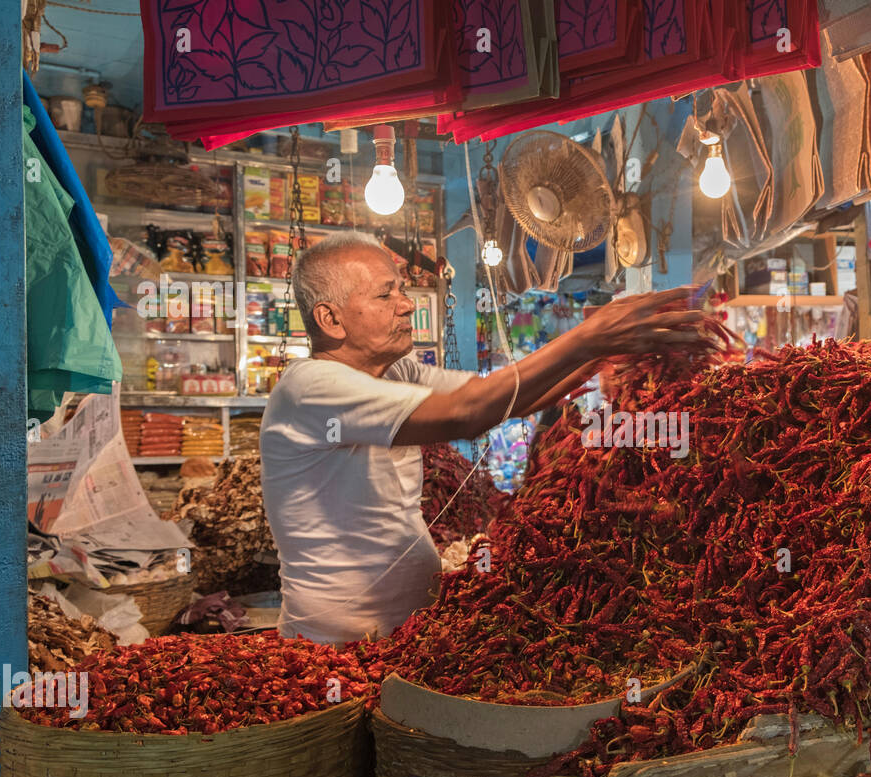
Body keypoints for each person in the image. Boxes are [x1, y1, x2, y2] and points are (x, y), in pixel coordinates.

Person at [260, 231, 711, 646]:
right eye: (386, 293)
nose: (406, 304)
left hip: (407, 635)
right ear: (331, 319)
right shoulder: (312, 388)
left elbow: (504, 398)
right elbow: (467, 412)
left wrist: (606, 352)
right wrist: (585, 339)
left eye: (402, 289)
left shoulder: (396, 371)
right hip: (333, 648)